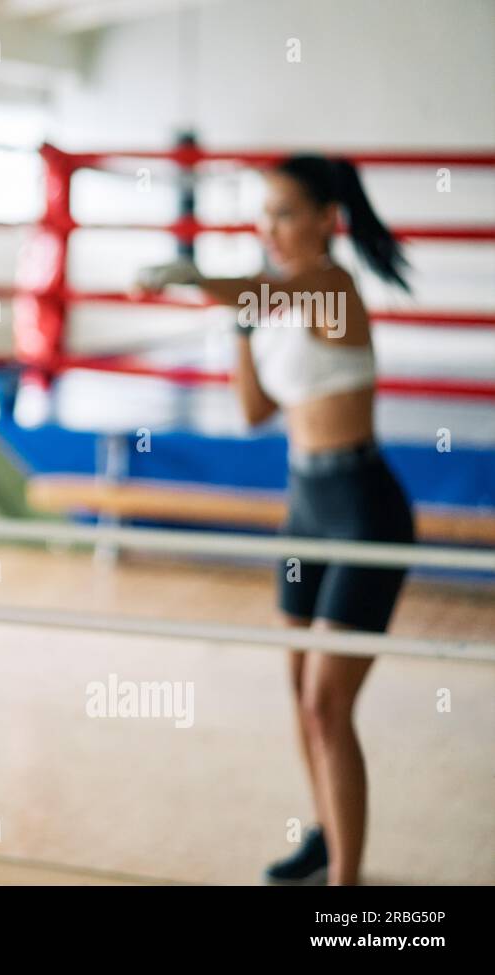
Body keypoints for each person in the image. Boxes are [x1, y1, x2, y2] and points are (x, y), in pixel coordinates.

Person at [138, 155, 416, 885]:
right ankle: (325, 832)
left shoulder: (332, 286)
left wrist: (196, 280)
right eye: (264, 214)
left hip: (362, 507)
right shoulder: (279, 302)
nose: (272, 228)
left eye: (287, 212)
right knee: (301, 694)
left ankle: (348, 891)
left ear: (328, 218)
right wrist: (236, 326)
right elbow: (258, 410)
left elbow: (270, 288)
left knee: (328, 703)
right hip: (305, 507)